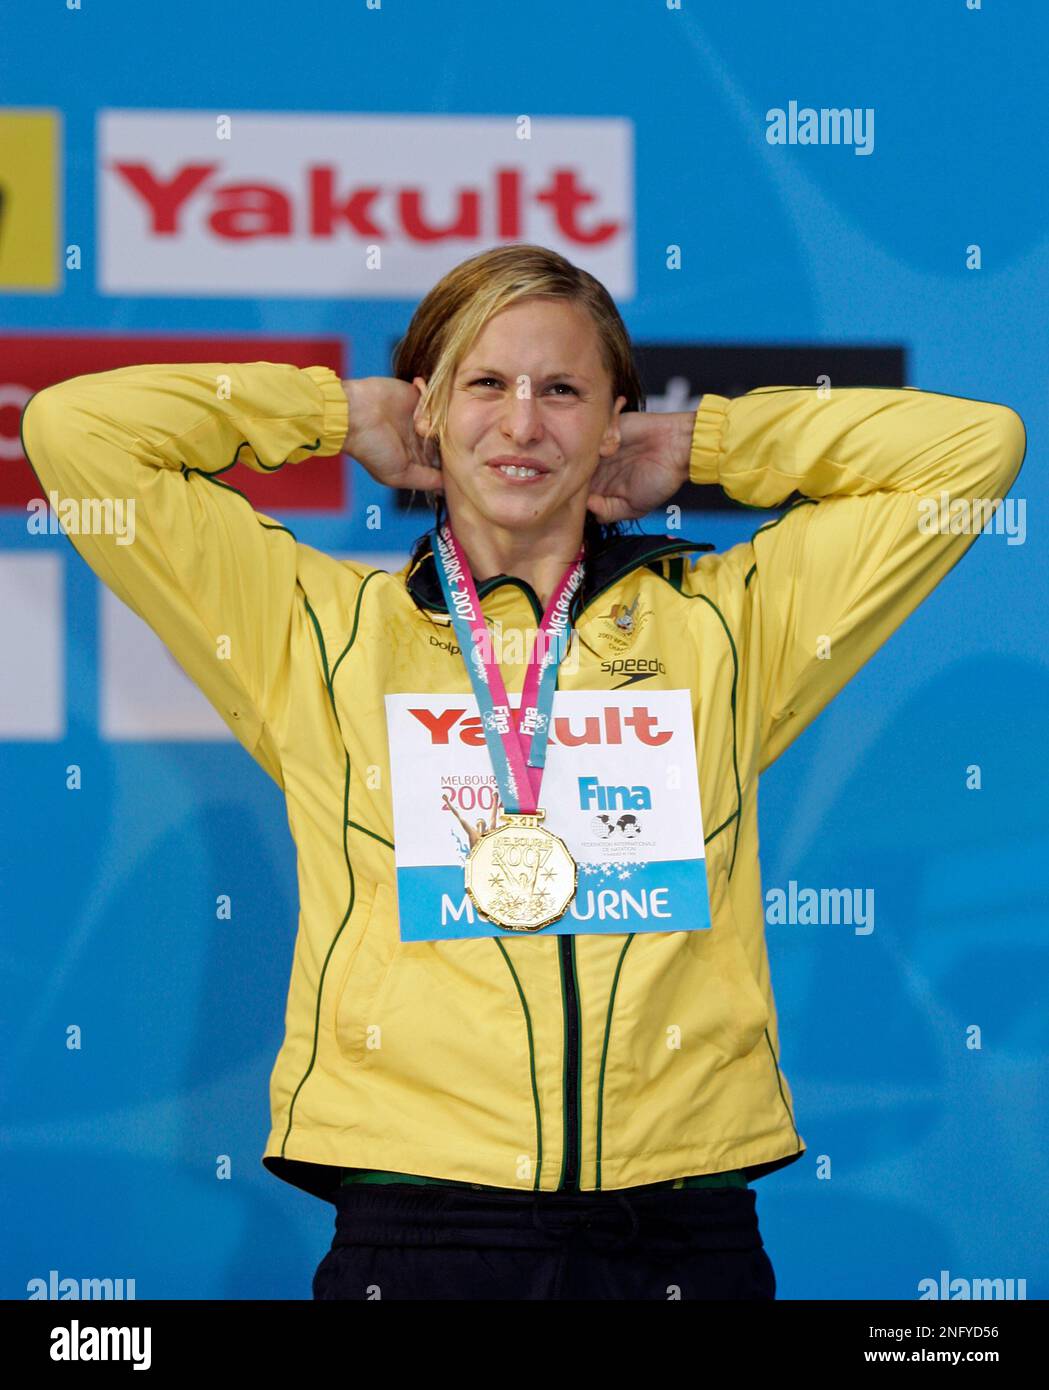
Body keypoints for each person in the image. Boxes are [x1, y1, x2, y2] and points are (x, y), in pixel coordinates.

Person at [18, 243, 1026, 1301]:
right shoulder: (312, 633)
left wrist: (705, 440)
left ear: (610, 420)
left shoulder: (727, 628)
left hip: (680, 1228)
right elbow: (74, 432)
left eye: (561, 390)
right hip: (419, 1225)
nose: (521, 423)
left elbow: (971, 452)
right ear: (430, 410)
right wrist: (333, 414)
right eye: (482, 384)